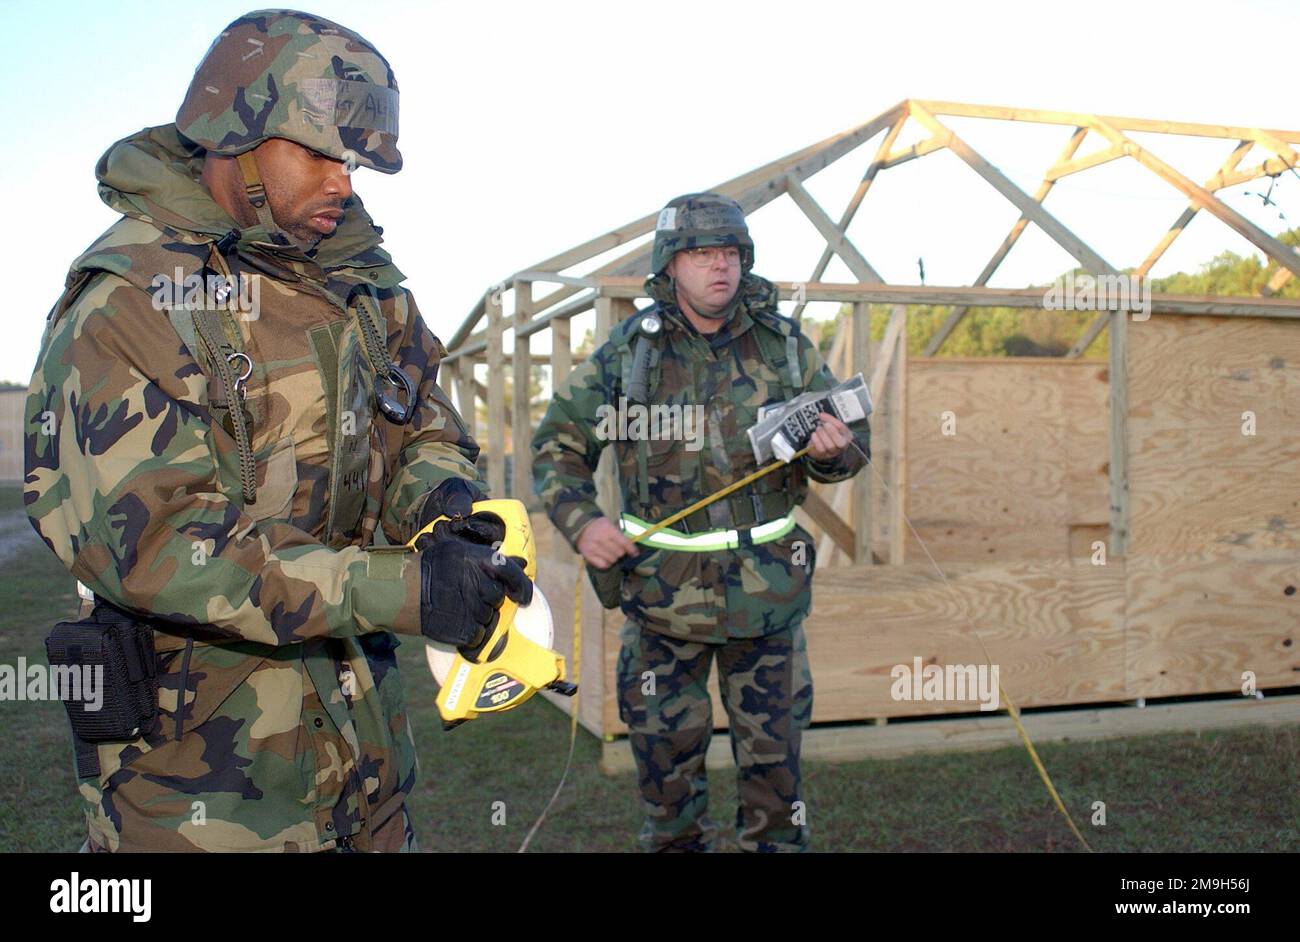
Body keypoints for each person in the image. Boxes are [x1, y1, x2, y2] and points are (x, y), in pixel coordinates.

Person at [23, 9, 529, 853]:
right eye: (323, 153)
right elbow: (161, 547)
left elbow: (420, 423)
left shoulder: (361, 286)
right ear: (236, 134)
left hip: (364, 767)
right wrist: (408, 591)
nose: (345, 182)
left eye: (356, 161)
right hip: (204, 796)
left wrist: (443, 501)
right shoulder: (131, 302)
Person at [531, 192, 868, 852]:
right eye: (703, 253)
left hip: (769, 607)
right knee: (668, 793)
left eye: (732, 253)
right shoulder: (629, 355)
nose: (722, 267)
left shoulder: (785, 349)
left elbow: (854, 445)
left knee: (776, 791)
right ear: (671, 265)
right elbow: (557, 447)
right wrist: (585, 524)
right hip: (661, 609)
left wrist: (834, 452)